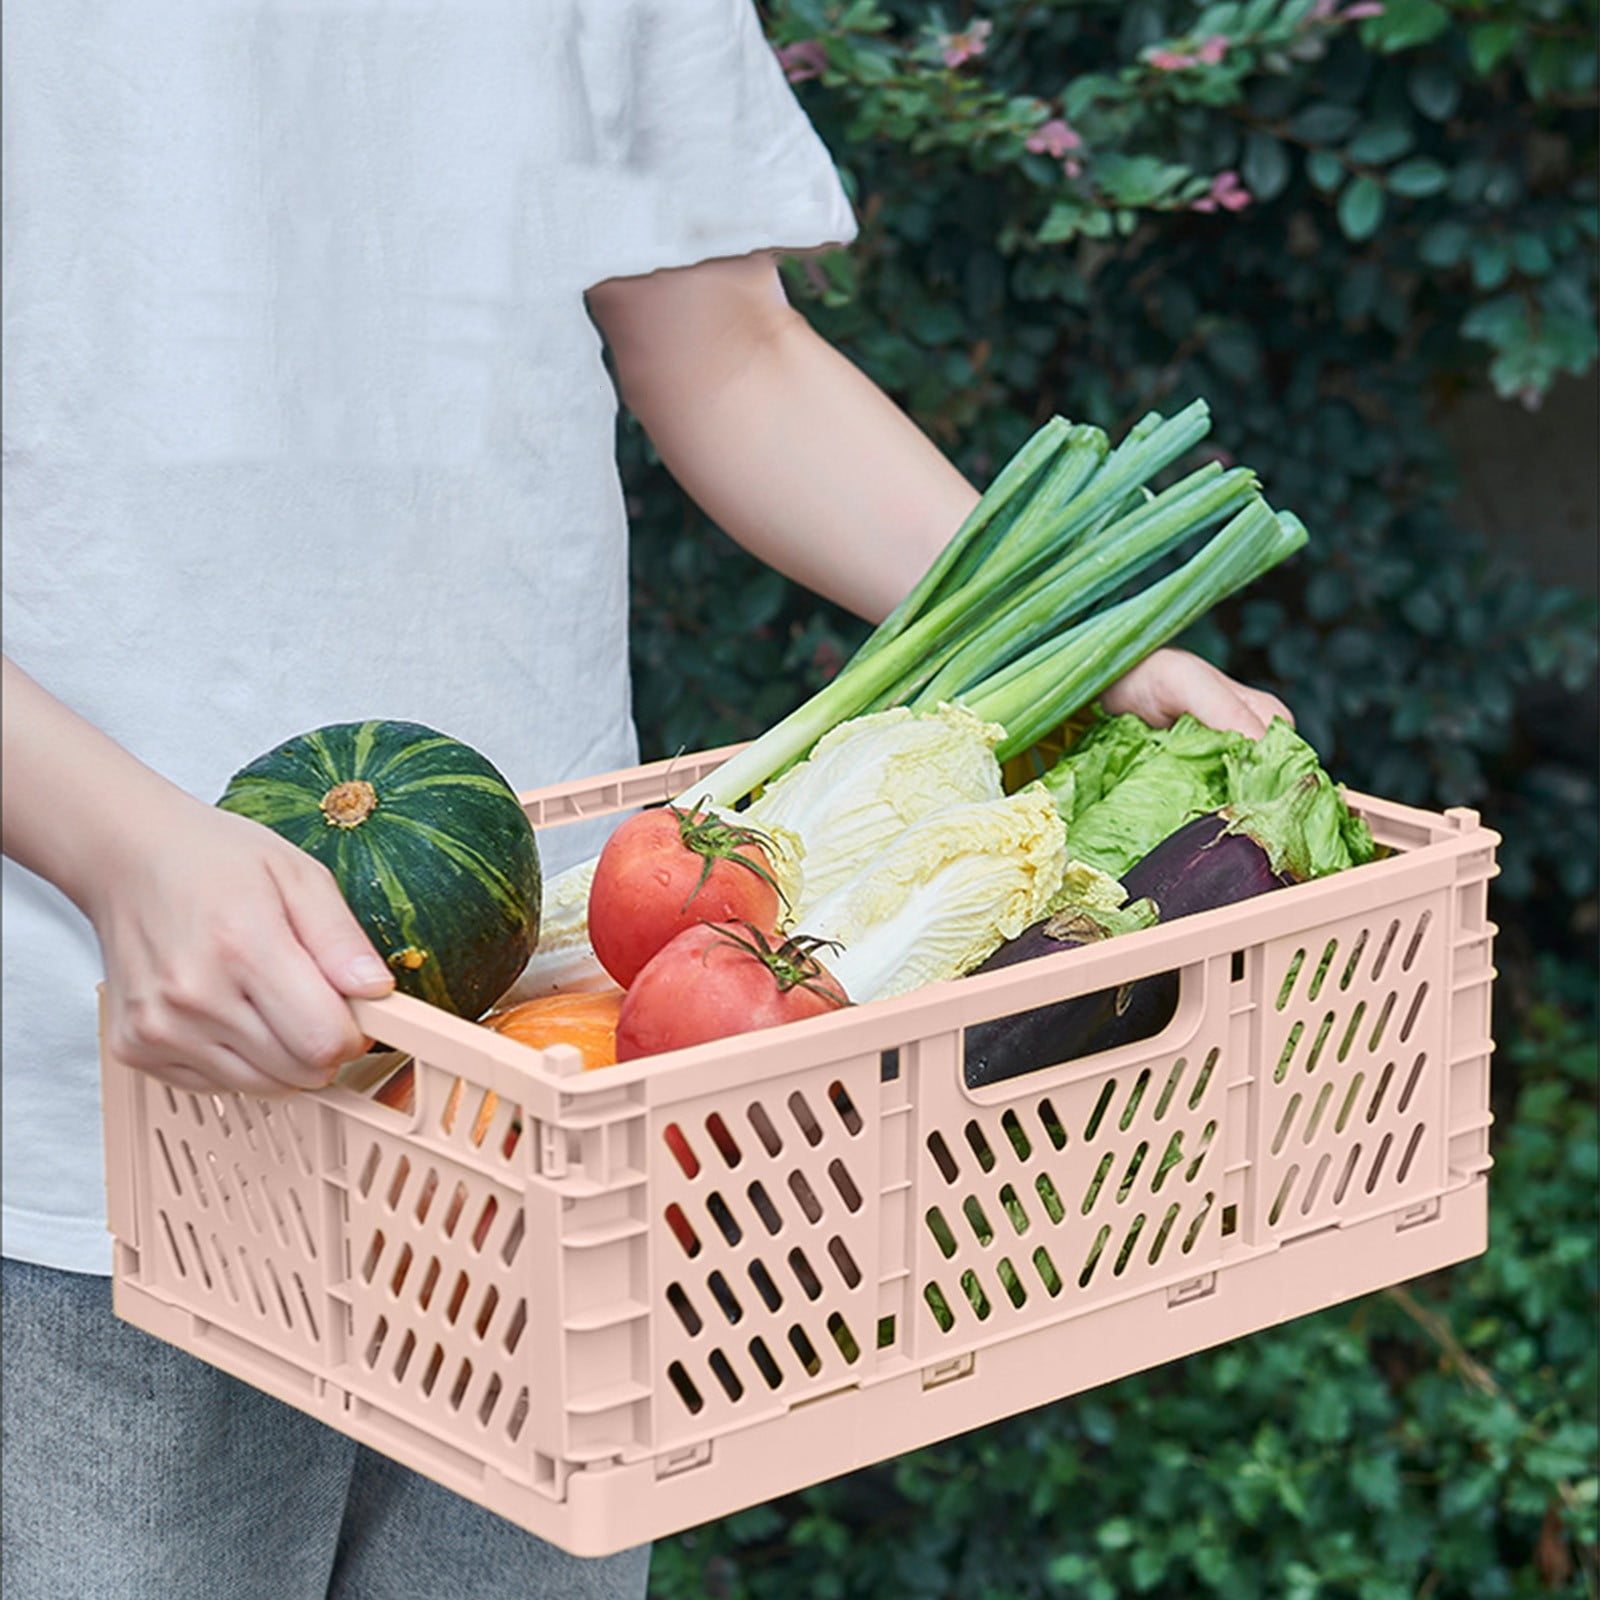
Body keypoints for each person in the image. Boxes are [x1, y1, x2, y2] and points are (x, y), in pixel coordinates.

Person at [0, 3, 1291, 1596]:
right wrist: (112, 846)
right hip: (97, 1103)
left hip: (575, 1079)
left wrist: (1065, 646)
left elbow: (727, 346)